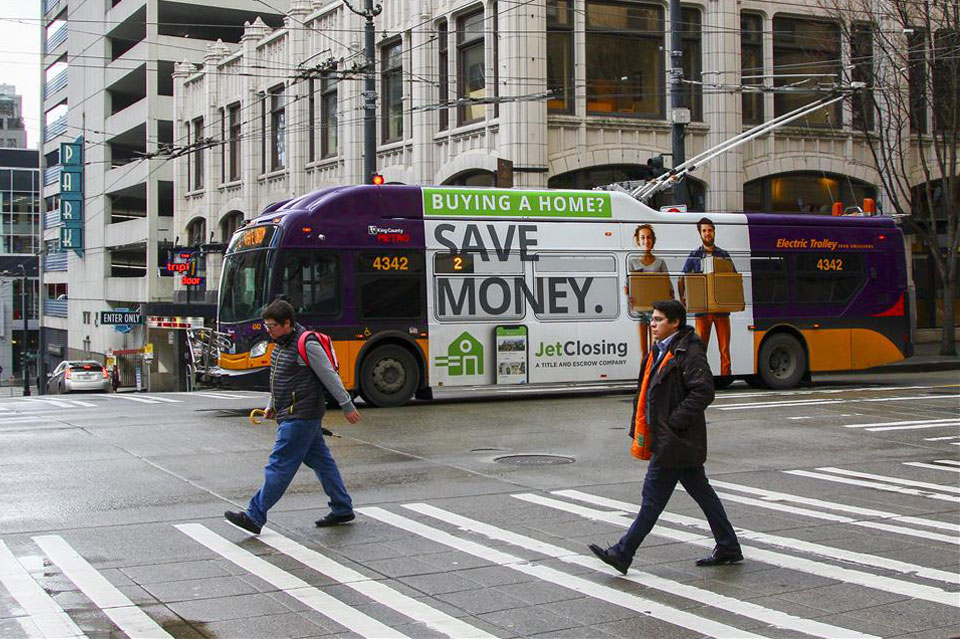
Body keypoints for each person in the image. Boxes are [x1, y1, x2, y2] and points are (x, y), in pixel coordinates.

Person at [588, 299, 742, 574]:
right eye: (653, 319)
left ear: (675, 323)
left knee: (652, 499)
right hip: (672, 439)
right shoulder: (661, 350)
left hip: (674, 439)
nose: (653, 324)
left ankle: (623, 553)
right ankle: (728, 545)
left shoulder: (689, 351)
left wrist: (673, 422)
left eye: (658, 319)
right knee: (702, 493)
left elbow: (704, 391)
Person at [225, 299, 361, 535]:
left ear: (286, 323)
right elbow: (278, 379)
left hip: (301, 415)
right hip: (291, 412)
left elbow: (329, 374)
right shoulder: (279, 343)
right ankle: (342, 508)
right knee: (322, 462)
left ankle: (254, 516)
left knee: (280, 465)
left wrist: (346, 404)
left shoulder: (305, 343)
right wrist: (271, 405)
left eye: (272, 325)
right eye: (266, 325)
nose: (268, 330)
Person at [678, 217, 735, 376]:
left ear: (714, 232)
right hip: (702, 309)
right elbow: (682, 277)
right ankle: (701, 377)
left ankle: (725, 376)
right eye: (704, 231)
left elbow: (734, 278)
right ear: (700, 234)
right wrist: (683, 298)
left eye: (710, 230)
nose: (707, 233)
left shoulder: (723, 255)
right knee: (700, 348)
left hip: (721, 309)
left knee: (724, 348)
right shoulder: (695, 255)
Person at [627, 224, 673, 359]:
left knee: (655, 350)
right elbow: (627, 286)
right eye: (643, 238)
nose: (646, 241)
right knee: (643, 352)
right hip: (639, 311)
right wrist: (629, 296)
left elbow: (668, 287)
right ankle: (644, 379)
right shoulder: (632, 262)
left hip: (656, 313)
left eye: (648, 237)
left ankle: (653, 378)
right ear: (638, 241)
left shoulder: (660, 263)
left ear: (653, 241)